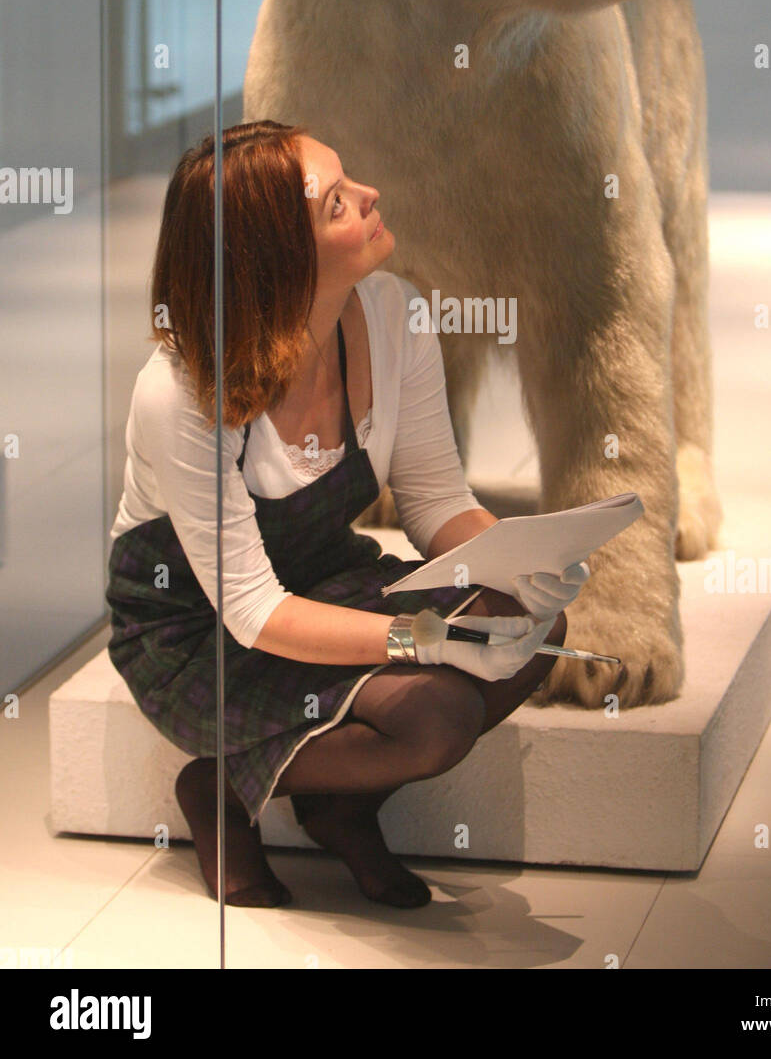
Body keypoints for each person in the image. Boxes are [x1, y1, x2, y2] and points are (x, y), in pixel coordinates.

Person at [105, 120, 589, 911]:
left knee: (533, 619)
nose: (369, 197)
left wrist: (523, 559)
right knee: (434, 718)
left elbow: (436, 501)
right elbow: (253, 611)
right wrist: (420, 638)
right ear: (277, 258)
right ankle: (221, 789)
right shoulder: (183, 391)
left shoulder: (394, 314)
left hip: (321, 578)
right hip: (197, 633)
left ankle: (341, 804)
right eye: (337, 203)